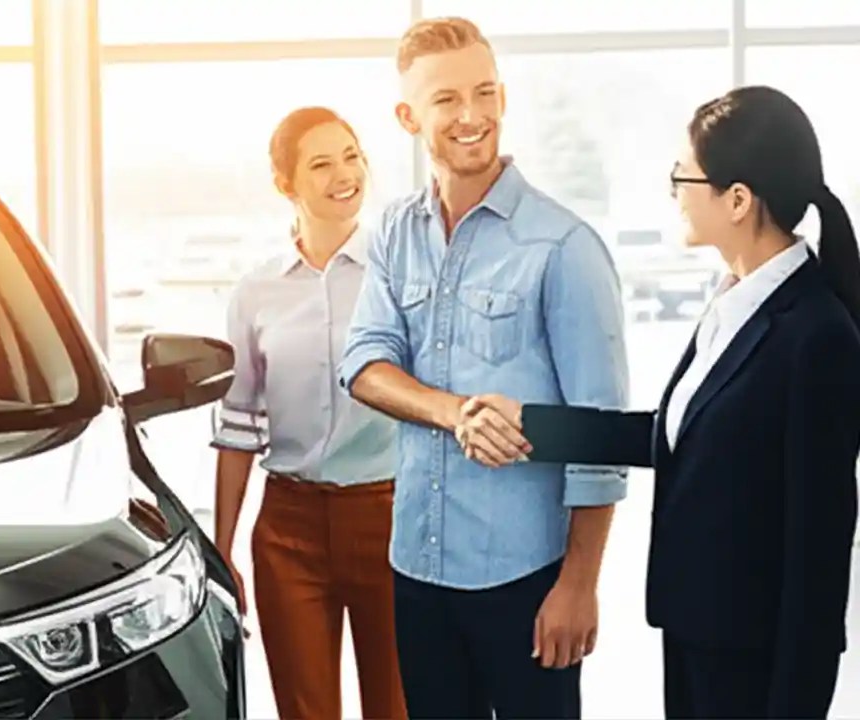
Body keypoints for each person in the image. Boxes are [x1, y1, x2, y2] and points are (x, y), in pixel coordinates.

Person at [469, 85, 860, 718]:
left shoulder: (817, 335)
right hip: (696, 631)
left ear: (737, 200)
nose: (673, 190)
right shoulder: (733, 302)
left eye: (683, 176)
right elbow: (678, 435)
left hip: (755, 662)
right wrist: (531, 424)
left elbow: (818, 556)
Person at [337, 16, 630, 718]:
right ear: (409, 116)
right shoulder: (395, 233)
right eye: (446, 100)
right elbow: (363, 360)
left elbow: (604, 436)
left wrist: (579, 584)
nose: (472, 117)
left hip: (528, 580)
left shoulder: (563, 246)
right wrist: (452, 411)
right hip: (418, 569)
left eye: (485, 93)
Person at [211, 106, 407, 720]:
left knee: (399, 707)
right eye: (321, 164)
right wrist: (223, 549)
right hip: (289, 527)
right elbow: (238, 424)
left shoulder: (401, 273)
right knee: (304, 710)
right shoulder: (256, 291)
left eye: (352, 156)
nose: (343, 174)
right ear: (285, 184)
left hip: (390, 517)